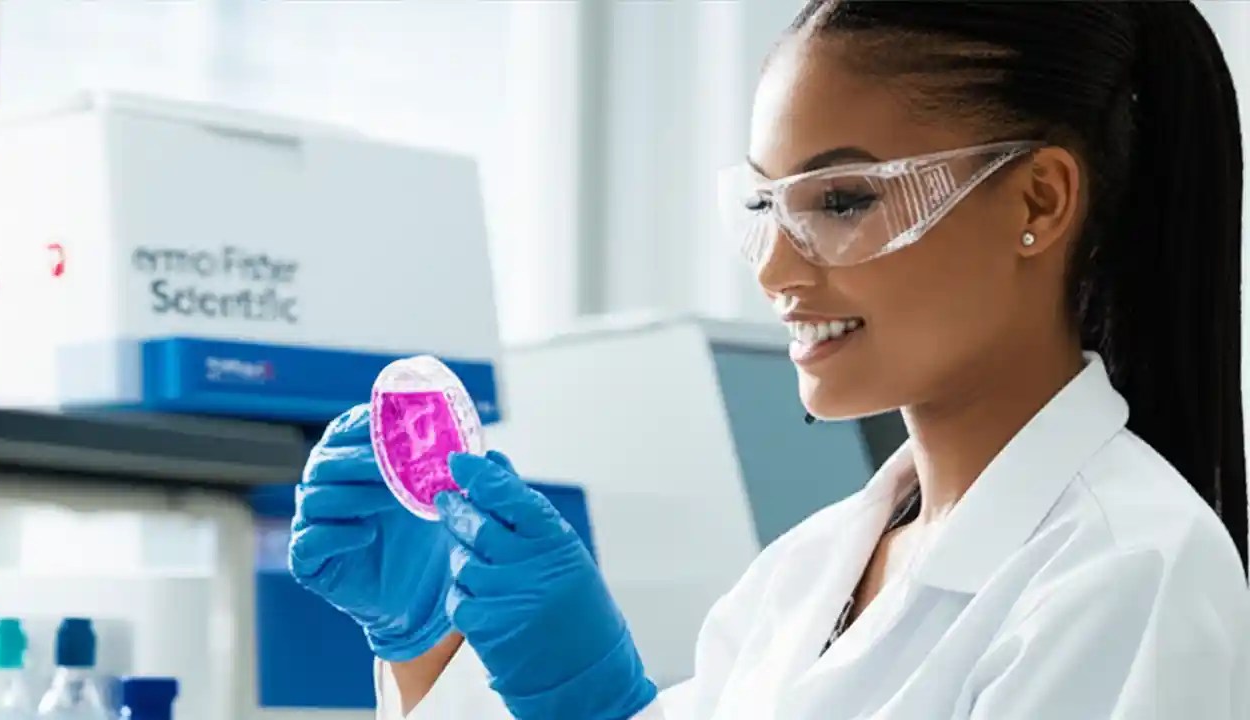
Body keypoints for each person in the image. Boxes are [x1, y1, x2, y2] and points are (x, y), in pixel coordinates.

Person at [288, 1, 1250, 718]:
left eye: (840, 202)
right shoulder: (805, 575)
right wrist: (440, 642)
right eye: (764, 206)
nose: (777, 268)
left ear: (1038, 203)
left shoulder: (1131, 575)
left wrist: (586, 697)